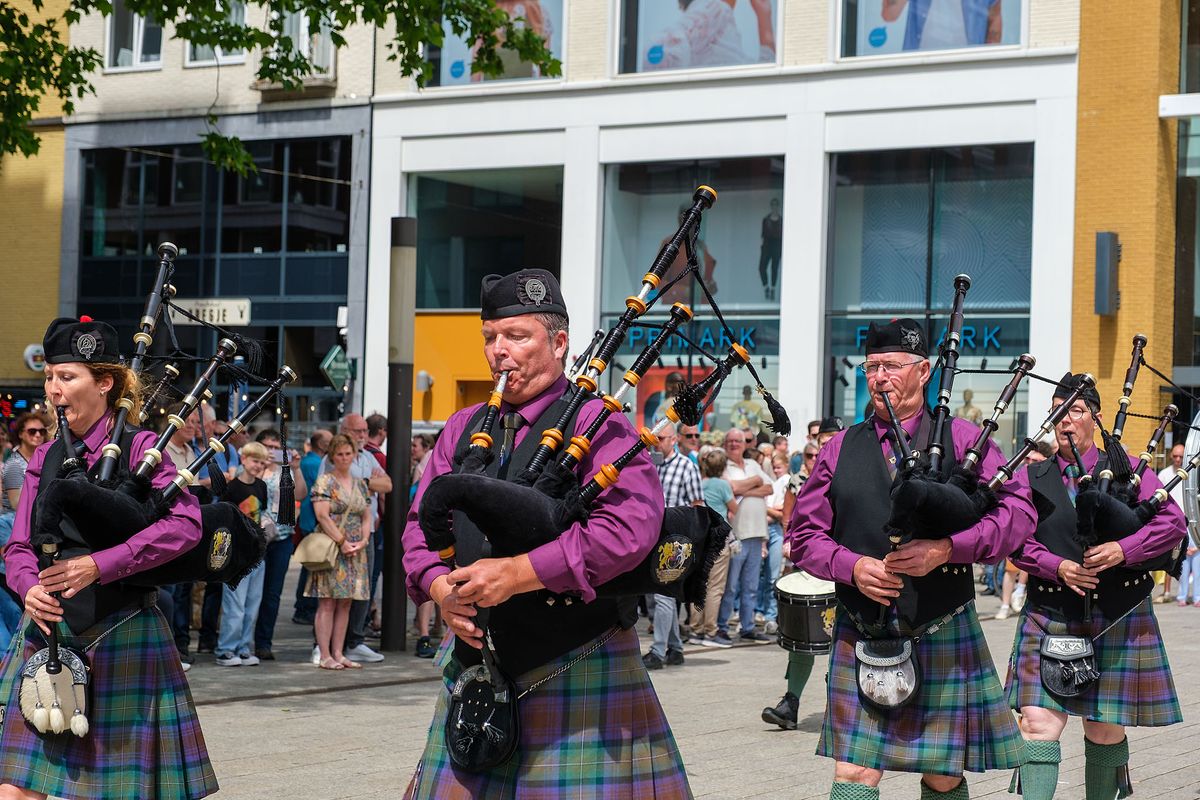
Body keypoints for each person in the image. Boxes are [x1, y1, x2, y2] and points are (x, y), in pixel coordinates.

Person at [401, 269, 688, 797]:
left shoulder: (599, 423)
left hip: (575, 663)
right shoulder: (462, 427)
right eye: (490, 337)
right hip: (474, 669)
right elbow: (421, 524)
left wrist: (518, 574)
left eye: (517, 336)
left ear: (559, 344)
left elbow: (628, 529)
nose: (498, 352)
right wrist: (439, 587)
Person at [789, 318, 1034, 800]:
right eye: (871, 367)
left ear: (924, 372)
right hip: (863, 628)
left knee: (943, 772)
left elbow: (1019, 513)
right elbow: (803, 535)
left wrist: (948, 550)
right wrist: (852, 566)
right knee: (855, 772)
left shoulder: (965, 439)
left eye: (892, 366)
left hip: (941, 624)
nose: (879, 377)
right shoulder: (839, 448)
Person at [0, 315, 217, 799]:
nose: (54, 390)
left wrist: (101, 563)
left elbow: (184, 526)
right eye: (50, 377)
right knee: (14, 789)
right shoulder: (45, 456)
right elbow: (18, 545)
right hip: (47, 635)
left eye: (68, 376)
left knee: (114, 791)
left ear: (104, 383)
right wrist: (27, 586)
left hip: (122, 632)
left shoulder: (144, 448)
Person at [1006, 374, 1185, 800]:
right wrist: (1057, 566)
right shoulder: (1030, 477)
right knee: (1037, 722)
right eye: (1056, 411)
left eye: (1074, 411)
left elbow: (1171, 523)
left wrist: (1124, 549)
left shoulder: (1130, 472)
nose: (1064, 421)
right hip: (1049, 612)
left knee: (1104, 726)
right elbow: (1014, 539)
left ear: (1097, 418)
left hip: (1118, 613)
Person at [762, 417, 843, 731]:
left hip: (844, 565)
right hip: (811, 563)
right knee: (802, 636)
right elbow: (791, 514)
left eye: (830, 439)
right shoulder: (799, 479)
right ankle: (790, 703)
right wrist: (790, 539)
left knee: (842, 638)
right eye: (819, 441)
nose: (823, 446)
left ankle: (839, 706)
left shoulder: (854, 473)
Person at [320, 414, 391, 664]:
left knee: (359, 593)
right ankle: (323, 648)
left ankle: (352, 643)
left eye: (365, 431)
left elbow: (388, 484)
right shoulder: (328, 467)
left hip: (364, 536)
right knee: (329, 596)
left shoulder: (368, 458)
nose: (363, 435)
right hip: (335, 538)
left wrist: (366, 481)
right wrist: (341, 541)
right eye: (357, 431)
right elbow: (323, 509)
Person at [308, 434, 373, 671]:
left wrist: (364, 540)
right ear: (332, 457)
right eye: (339, 454)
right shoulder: (325, 481)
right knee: (327, 601)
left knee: (346, 602)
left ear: (354, 455)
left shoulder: (360, 483)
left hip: (356, 546)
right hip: (333, 545)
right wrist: (342, 540)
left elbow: (366, 514)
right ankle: (325, 653)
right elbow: (322, 515)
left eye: (348, 453)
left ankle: (339, 652)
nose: (344, 458)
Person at [644, 423, 704, 670]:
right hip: (651, 534)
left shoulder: (687, 467)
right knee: (657, 593)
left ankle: (658, 650)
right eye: (654, 438)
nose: (656, 442)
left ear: (673, 439)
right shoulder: (650, 464)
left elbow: (698, 503)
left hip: (675, 539)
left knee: (663, 595)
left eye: (661, 438)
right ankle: (675, 648)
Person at [214, 441, 271, 667]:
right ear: (244, 459)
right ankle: (226, 648)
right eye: (255, 460)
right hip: (236, 553)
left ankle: (244, 647)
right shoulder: (232, 487)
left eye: (262, 462)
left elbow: (262, 512)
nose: (258, 465)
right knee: (234, 604)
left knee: (252, 604)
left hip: (257, 551)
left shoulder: (262, 486)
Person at [253, 429, 307, 661]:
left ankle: (264, 642)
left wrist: (295, 467)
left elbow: (302, 494)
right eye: (267, 446)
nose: (271, 451)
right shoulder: (254, 468)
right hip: (255, 538)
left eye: (276, 447)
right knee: (251, 593)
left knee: (272, 594)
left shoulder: (286, 470)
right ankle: (243, 641)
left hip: (282, 538)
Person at [717, 428, 773, 644]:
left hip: (756, 533)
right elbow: (729, 488)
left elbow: (768, 488)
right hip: (735, 535)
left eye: (738, 441)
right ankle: (722, 625)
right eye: (730, 441)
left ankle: (747, 626)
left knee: (750, 585)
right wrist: (755, 481)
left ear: (744, 443)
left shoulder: (753, 464)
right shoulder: (723, 464)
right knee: (730, 586)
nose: (734, 444)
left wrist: (743, 489)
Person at [294, 428, 331, 626]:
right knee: (312, 566)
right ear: (322, 444)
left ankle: (303, 607)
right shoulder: (315, 463)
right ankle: (304, 608)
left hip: (309, 518)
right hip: (313, 520)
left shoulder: (309, 462)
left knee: (309, 566)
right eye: (329, 441)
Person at [410, 432, 438, 659]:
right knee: (431, 580)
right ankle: (427, 633)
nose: (412, 448)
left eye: (414, 445)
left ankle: (430, 632)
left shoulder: (428, 461)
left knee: (436, 581)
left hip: (434, 526)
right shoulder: (430, 460)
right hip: (428, 527)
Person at [881, 0, 1003, 52]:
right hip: (919, 67)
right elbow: (889, 15)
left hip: (967, 67)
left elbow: (995, 18)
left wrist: (986, 63)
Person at [755, 452, 790, 634]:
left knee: (772, 576)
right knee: (765, 574)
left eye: (779, 467)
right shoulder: (775, 482)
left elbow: (783, 511)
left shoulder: (786, 480)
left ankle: (770, 614)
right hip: (767, 529)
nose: (777, 470)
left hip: (776, 529)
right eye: (774, 467)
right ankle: (765, 612)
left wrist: (767, 508)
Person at [2, 413, 48, 516]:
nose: (38, 435)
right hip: (14, 525)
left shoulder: (45, 460)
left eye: (42, 431)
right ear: (21, 434)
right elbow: (16, 504)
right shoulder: (14, 465)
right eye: (32, 431)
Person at [760, 197, 782, 300]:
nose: (774, 207)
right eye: (773, 205)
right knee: (762, 267)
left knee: (774, 268)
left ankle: (772, 288)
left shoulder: (781, 221)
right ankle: (766, 287)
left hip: (777, 245)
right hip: (767, 245)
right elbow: (763, 235)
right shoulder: (766, 220)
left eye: (776, 205)